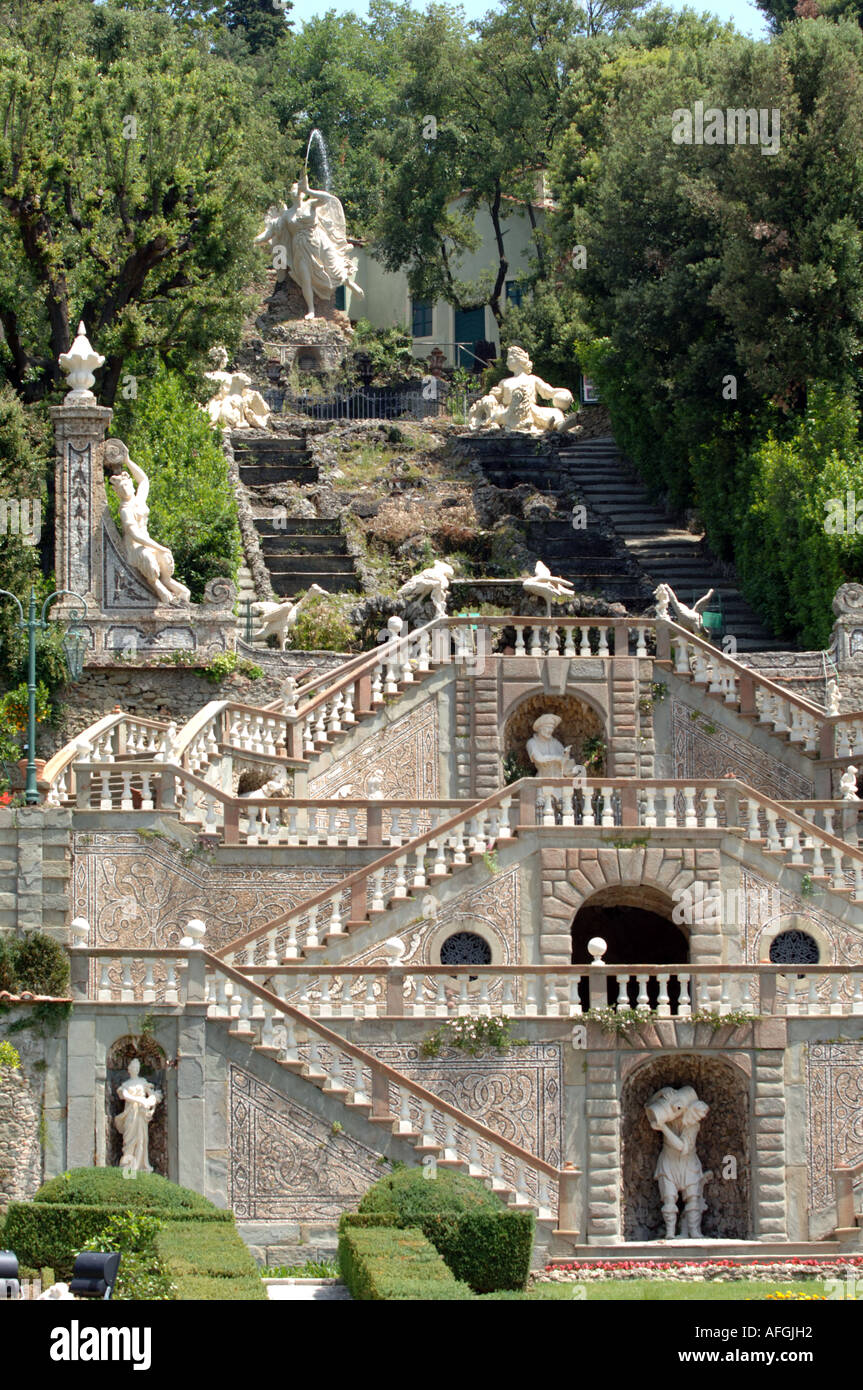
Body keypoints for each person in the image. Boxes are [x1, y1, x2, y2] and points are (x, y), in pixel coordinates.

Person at [104, 441, 191, 606]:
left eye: (127, 485)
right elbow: (135, 535)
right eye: (121, 488)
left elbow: (144, 480)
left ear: (131, 484)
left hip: (148, 543)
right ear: (116, 492)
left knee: (164, 557)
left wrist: (127, 460)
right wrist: (159, 546)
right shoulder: (125, 509)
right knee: (149, 558)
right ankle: (156, 585)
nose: (125, 489)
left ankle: (167, 581)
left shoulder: (138, 500)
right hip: (135, 548)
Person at [115, 1058, 162, 1173]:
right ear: (129, 1069)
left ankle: (140, 1166)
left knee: (141, 1139)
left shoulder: (143, 1082)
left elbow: (153, 1095)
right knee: (129, 1139)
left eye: (137, 1067)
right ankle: (128, 1167)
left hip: (140, 1115)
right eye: (133, 1067)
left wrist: (151, 1101)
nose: (135, 1069)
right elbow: (125, 1096)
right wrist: (141, 1101)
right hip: (130, 1114)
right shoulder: (125, 1085)